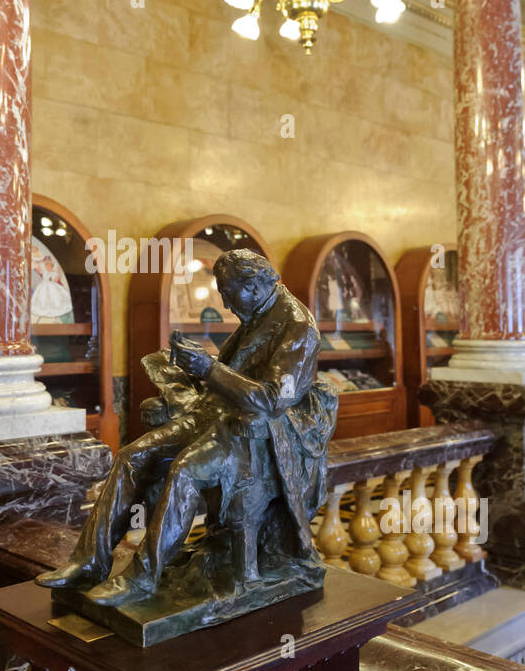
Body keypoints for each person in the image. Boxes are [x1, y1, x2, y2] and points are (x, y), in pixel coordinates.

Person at [37, 249, 337, 607]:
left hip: (254, 434)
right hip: (213, 416)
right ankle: (89, 561)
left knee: (184, 471)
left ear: (254, 285)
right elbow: (227, 379)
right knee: (132, 456)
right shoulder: (257, 312)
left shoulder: (298, 327)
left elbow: (273, 399)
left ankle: (142, 577)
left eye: (228, 292)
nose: (225, 303)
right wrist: (190, 372)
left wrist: (208, 368)